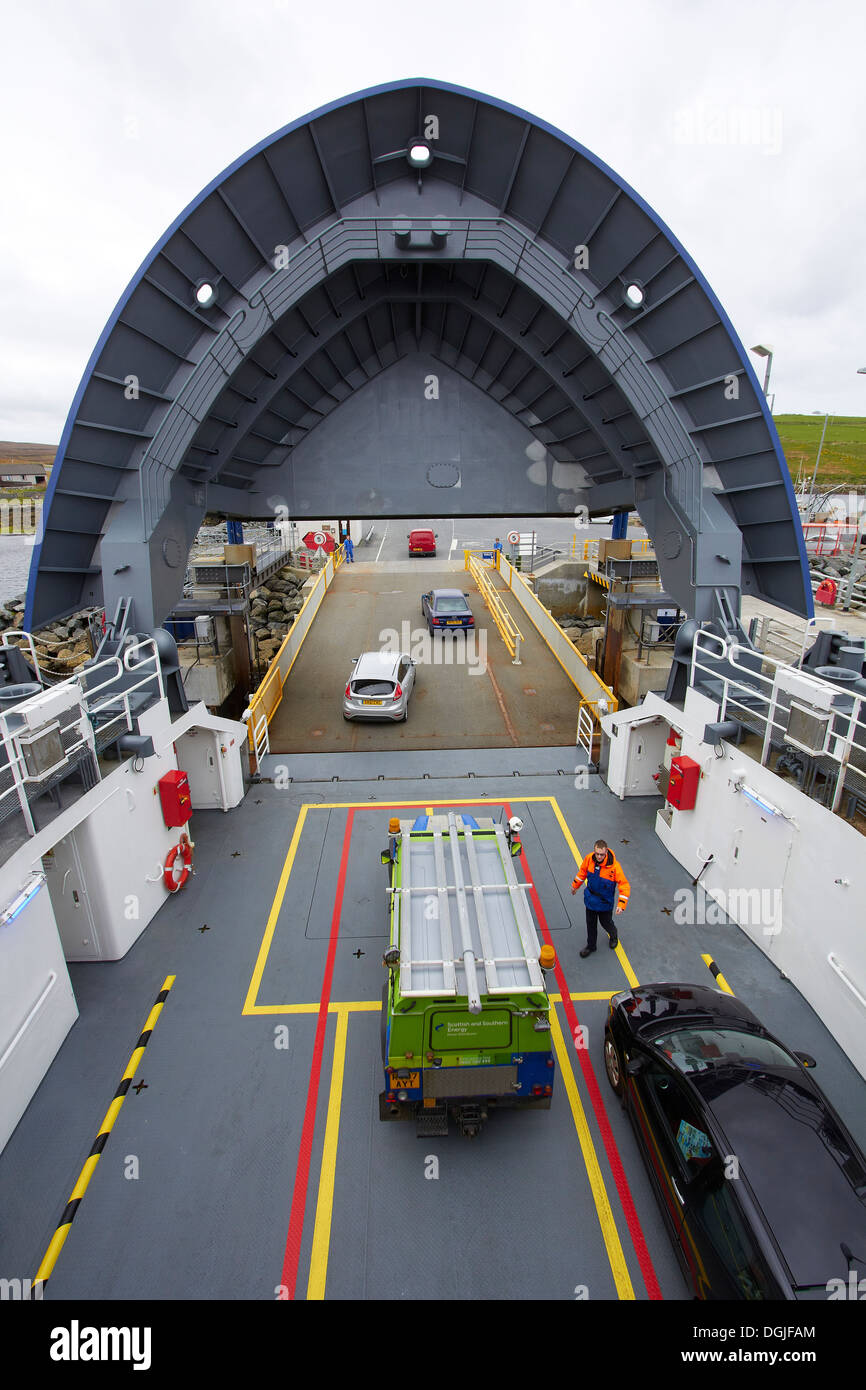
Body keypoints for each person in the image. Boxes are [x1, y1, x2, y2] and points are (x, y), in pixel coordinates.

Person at [571, 839, 629, 956]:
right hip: (591, 901)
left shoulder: (615, 868)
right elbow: (582, 873)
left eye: (601, 854)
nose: (598, 856)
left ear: (606, 852)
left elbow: (624, 885)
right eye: (597, 854)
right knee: (590, 924)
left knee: (606, 923)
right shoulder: (589, 859)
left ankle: (613, 935)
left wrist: (621, 904)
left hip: (605, 903)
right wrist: (575, 886)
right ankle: (591, 946)